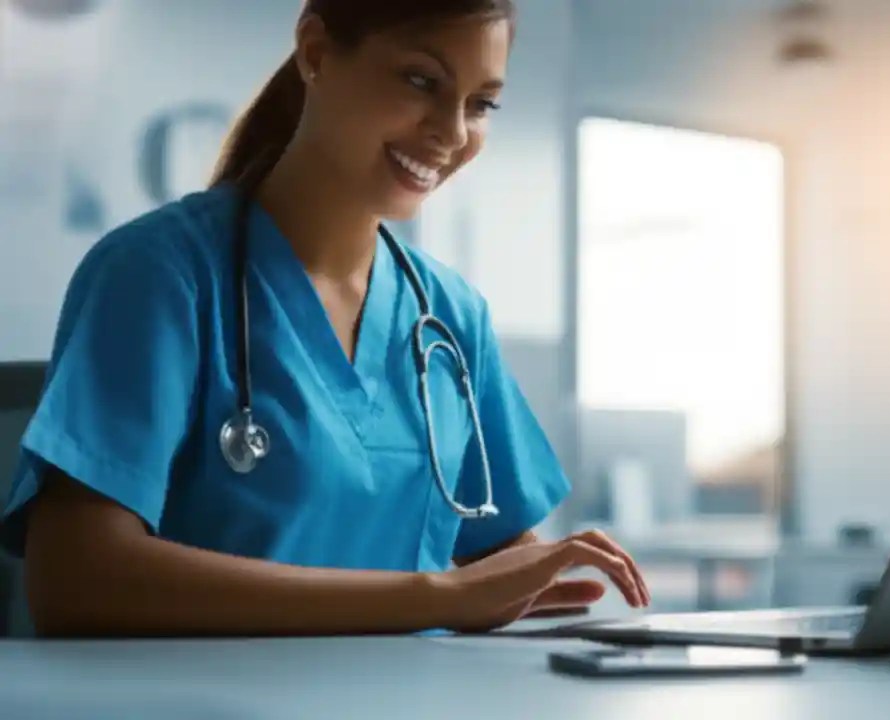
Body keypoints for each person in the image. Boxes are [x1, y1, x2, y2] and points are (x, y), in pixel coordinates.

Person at [0, 0, 649, 637]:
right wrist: (432, 597)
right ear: (315, 52)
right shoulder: (158, 275)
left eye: (481, 104)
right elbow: (75, 579)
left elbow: (498, 566)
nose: (452, 133)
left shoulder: (450, 318)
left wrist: (565, 602)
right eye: (422, 81)